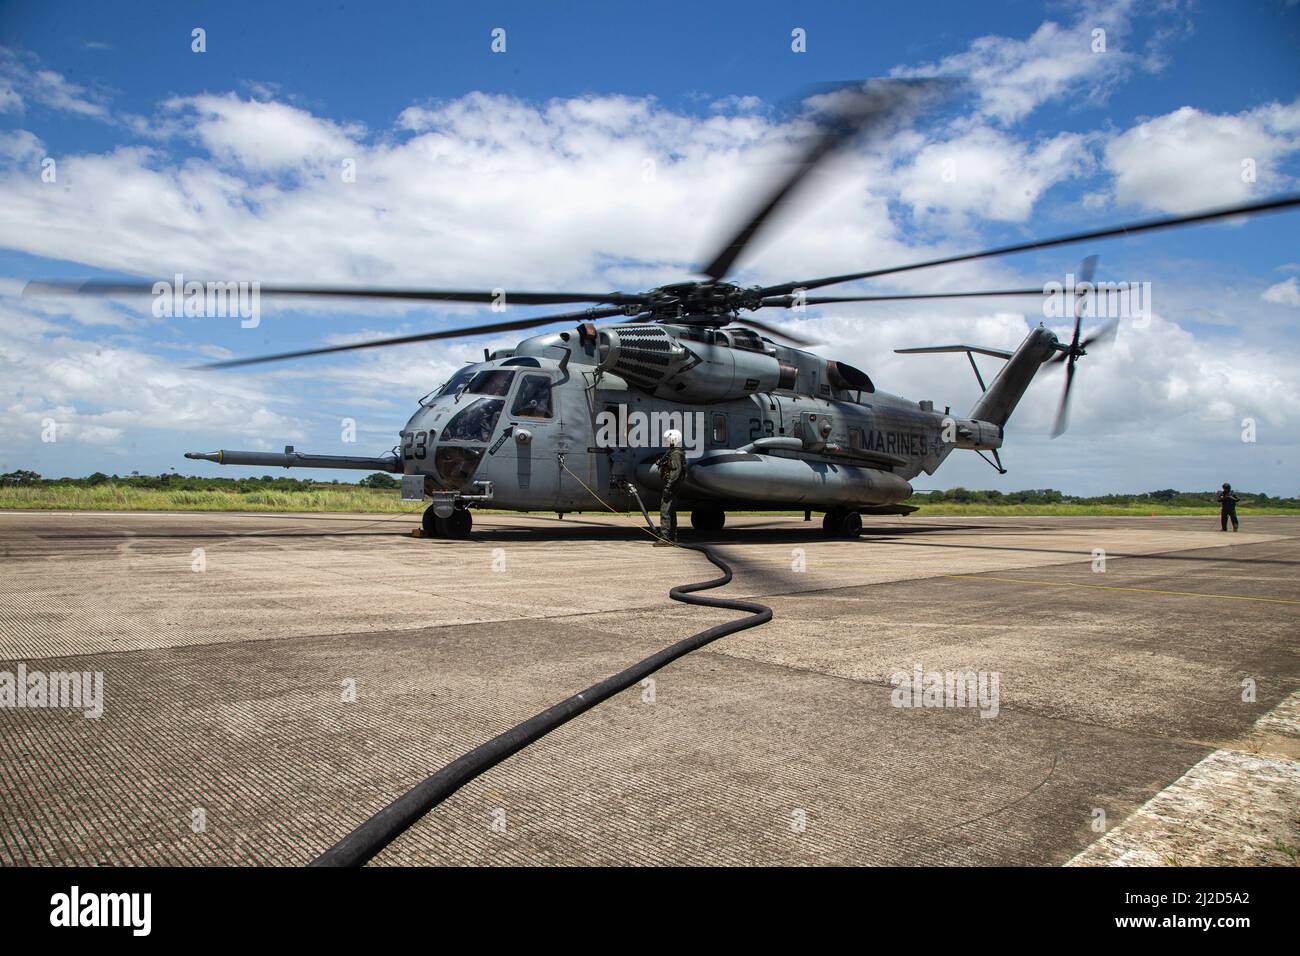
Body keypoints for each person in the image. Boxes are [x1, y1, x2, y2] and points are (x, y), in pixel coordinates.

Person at [654, 429, 687, 545]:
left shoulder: (675, 454)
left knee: (665, 510)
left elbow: (676, 472)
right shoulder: (673, 452)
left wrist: (668, 486)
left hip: (671, 486)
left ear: (673, 440)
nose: (666, 442)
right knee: (671, 510)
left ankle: (665, 537)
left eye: (667, 440)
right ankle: (672, 537)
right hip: (673, 485)